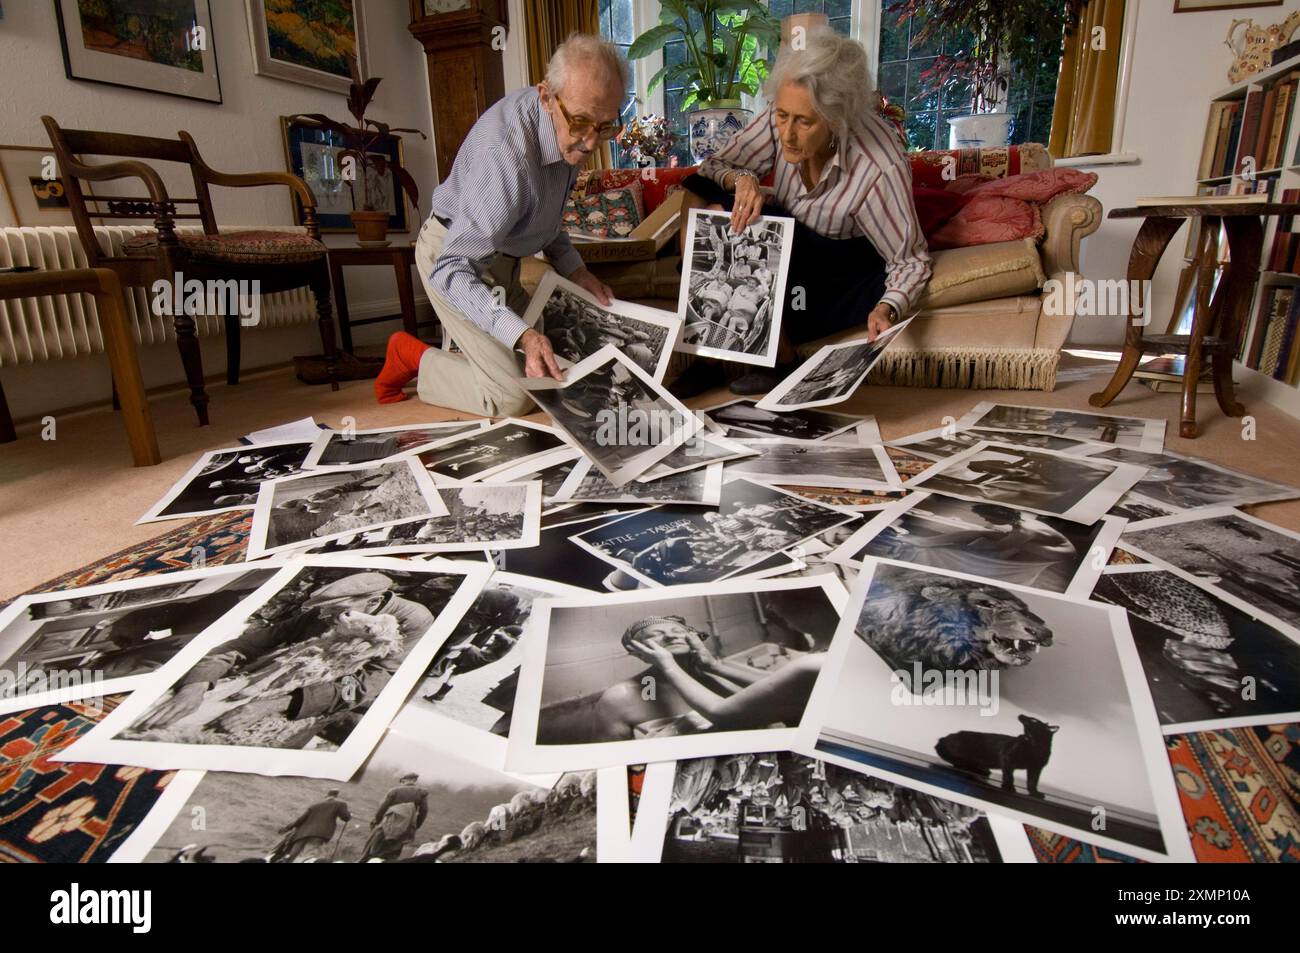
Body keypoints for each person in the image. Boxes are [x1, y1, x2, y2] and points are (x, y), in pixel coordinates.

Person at [373, 33, 625, 415]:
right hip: (453, 261)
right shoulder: (505, 156)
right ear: (545, 96)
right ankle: (413, 355)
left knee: (555, 370)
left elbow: (547, 220)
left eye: (605, 127)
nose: (591, 143)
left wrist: (579, 272)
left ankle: (470, 352)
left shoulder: (568, 133)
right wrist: (522, 334)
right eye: (581, 123)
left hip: (504, 260)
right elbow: (453, 269)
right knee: (512, 397)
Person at [672, 25, 930, 397]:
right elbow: (713, 167)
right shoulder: (786, 113)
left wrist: (889, 306)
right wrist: (743, 178)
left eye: (804, 122)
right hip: (790, 241)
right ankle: (709, 347)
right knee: (702, 192)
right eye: (782, 117)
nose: (787, 135)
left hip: (837, 272)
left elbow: (911, 260)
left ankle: (783, 360)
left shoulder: (879, 166)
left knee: (764, 228)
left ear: (836, 118)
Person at [138, 572, 433, 732]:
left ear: (373, 603)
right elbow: (251, 643)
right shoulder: (326, 612)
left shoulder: (414, 622)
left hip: (310, 700)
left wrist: (270, 706)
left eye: (339, 613)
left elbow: (366, 685)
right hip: (269, 678)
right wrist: (197, 684)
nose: (328, 619)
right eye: (326, 612)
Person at [362, 773, 430, 862]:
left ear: (404, 780)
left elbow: (382, 808)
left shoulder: (394, 791)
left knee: (373, 849)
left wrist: (377, 821)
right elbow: (424, 811)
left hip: (387, 825)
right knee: (392, 854)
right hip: (405, 827)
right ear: (414, 781)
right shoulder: (421, 793)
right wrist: (416, 826)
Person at [272, 789, 351, 863]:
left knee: (292, 855)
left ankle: (285, 861)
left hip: (301, 833)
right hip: (319, 833)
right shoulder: (340, 804)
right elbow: (345, 817)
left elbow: (300, 820)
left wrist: (287, 828)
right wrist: (349, 815)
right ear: (336, 796)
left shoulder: (315, 806)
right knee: (309, 856)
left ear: (327, 796)